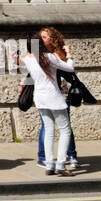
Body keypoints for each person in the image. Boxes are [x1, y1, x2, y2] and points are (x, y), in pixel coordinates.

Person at [14, 27, 76, 176]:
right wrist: (69, 53)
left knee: (48, 129)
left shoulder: (29, 59)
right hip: (53, 97)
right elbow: (70, 67)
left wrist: (15, 57)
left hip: (40, 98)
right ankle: (61, 165)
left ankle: (49, 165)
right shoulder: (50, 58)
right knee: (65, 129)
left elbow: (21, 62)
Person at [34, 26, 78, 170]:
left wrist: (67, 54)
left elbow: (69, 70)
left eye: (44, 37)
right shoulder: (41, 54)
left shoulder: (56, 53)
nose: (41, 39)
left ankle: (71, 155)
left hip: (61, 92)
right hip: (48, 94)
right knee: (50, 127)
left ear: (52, 39)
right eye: (41, 37)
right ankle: (44, 158)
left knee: (65, 126)